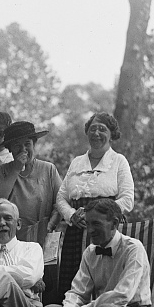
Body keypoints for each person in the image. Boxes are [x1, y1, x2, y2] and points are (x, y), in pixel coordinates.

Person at [55, 111, 135, 293]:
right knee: (74, 282)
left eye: (102, 129)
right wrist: (71, 215)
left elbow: (128, 199)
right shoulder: (76, 163)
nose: (96, 133)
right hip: (76, 230)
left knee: (105, 279)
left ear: (111, 134)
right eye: (92, 129)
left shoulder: (118, 161)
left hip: (106, 229)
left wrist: (103, 213)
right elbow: (61, 197)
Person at [0, 120, 63, 254]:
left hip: (43, 234)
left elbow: (61, 201)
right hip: (12, 238)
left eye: (27, 144)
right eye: (17, 146)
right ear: (10, 149)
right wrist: (16, 169)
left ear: (34, 144)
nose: (23, 150)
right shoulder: (4, 170)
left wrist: (50, 226)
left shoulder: (48, 169)